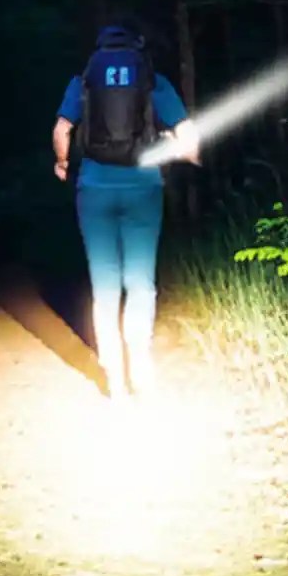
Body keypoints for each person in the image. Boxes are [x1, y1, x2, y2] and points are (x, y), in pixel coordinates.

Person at [52, 20, 200, 400]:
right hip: (143, 188)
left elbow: (62, 130)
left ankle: (114, 378)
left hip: (94, 189)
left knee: (105, 287)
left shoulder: (84, 79)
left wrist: (63, 164)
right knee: (140, 282)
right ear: (136, 46)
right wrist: (184, 151)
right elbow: (186, 133)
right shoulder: (152, 78)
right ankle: (141, 368)